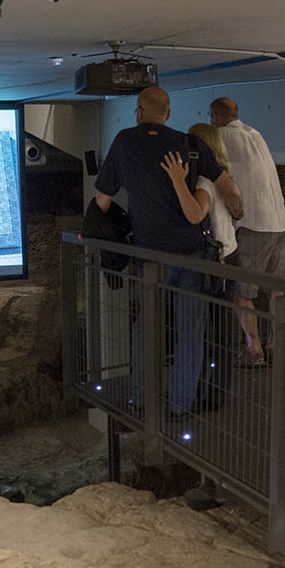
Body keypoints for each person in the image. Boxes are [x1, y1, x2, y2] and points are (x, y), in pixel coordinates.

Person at [94, 86, 243, 417]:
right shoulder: (189, 144)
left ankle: (140, 399)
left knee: (146, 329)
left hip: (149, 256)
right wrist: (238, 211)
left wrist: (97, 239)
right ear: (169, 113)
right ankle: (179, 404)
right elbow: (227, 186)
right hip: (191, 254)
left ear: (138, 112)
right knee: (190, 331)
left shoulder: (124, 141)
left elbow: (103, 200)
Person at [210, 97, 285, 366]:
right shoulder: (256, 134)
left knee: (242, 291)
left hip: (253, 224)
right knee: (276, 290)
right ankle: (277, 345)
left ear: (215, 116)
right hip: (282, 222)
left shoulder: (220, 137)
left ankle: (254, 348)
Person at [187, 122, 243, 409]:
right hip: (229, 254)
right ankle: (219, 391)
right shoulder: (226, 177)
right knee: (222, 327)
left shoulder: (202, 180)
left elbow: (197, 214)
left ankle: (200, 391)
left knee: (202, 328)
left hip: (211, 259)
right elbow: (237, 212)